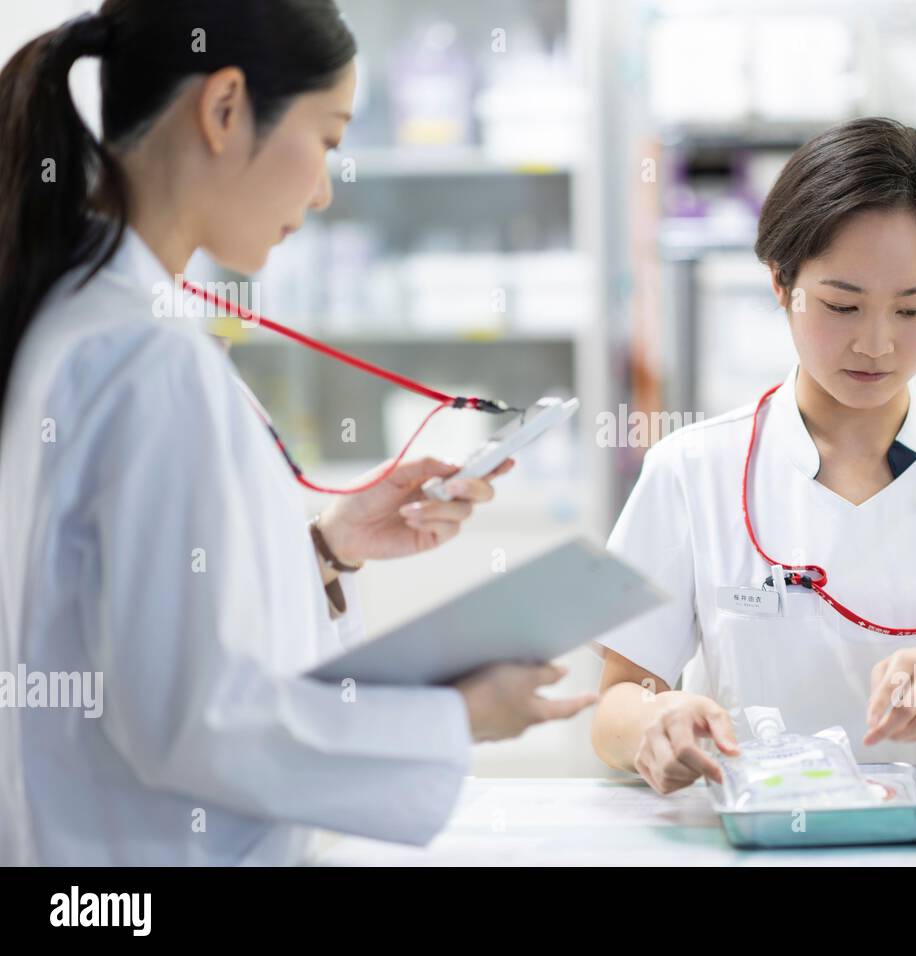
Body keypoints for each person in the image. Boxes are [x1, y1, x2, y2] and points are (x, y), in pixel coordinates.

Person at [0, 0, 595, 866]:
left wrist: (324, 549)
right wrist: (458, 716)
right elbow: (191, 721)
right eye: (327, 138)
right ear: (225, 108)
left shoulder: (73, 318)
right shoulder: (145, 357)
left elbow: (118, 618)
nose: (321, 190)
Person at [590, 117, 916, 794]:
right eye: (843, 307)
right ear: (780, 281)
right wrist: (654, 722)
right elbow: (615, 705)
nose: (875, 345)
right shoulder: (690, 470)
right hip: (758, 841)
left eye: (911, 310)